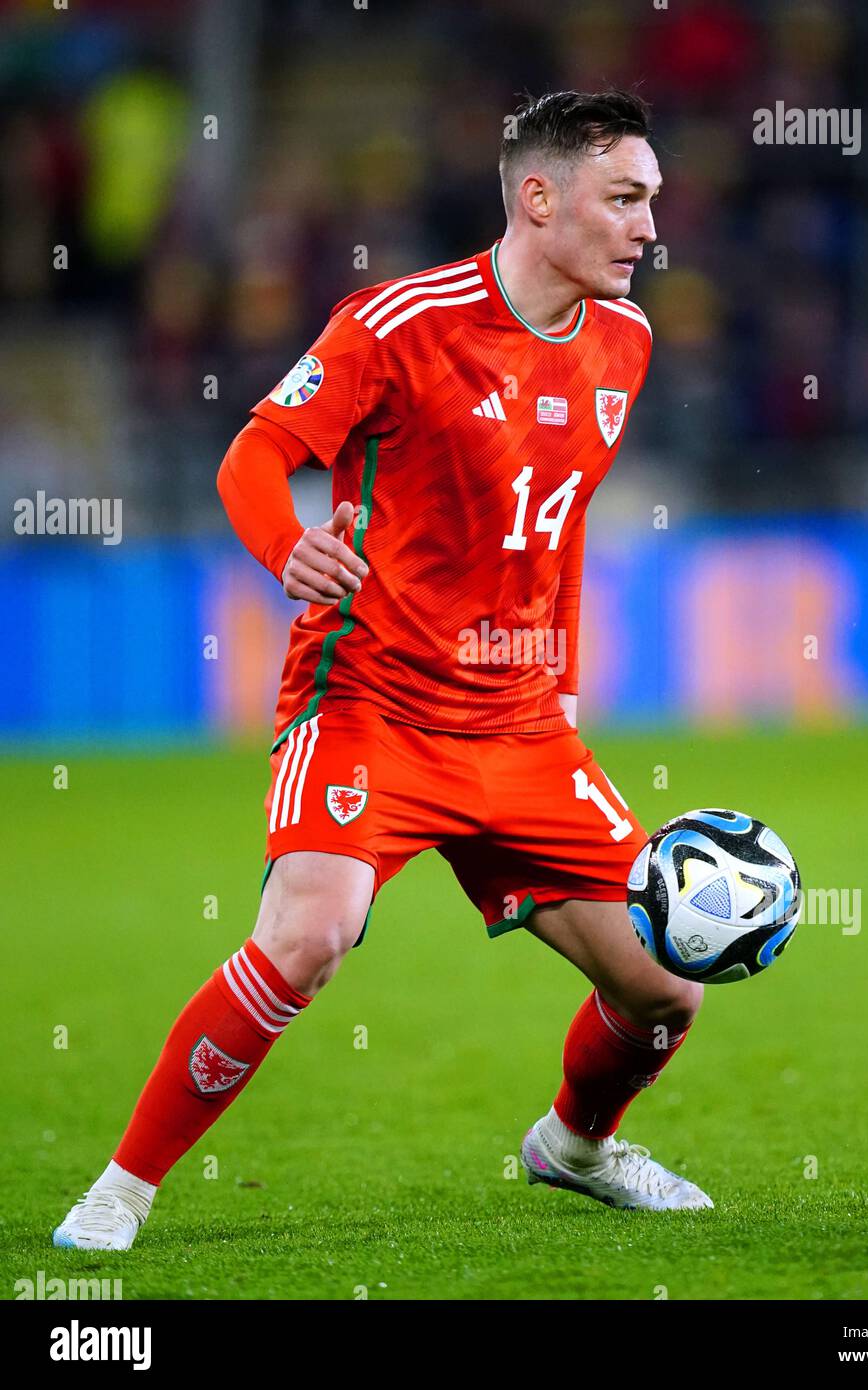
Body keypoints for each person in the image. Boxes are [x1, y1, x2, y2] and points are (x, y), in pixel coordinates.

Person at [53, 88, 712, 1251]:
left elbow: (556, 522)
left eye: (651, 199)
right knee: (310, 934)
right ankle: (123, 1187)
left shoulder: (629, 343)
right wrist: (284, 545)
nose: (649, 226)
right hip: (372, 702)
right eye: (625, 198)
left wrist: (554, 671)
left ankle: (575, 1148)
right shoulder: (397, 323)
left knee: (669, 986)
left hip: (515, 724)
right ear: (539, 198)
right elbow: (256, 453)